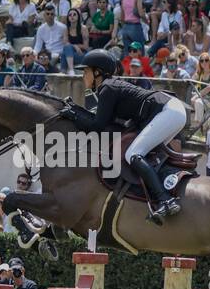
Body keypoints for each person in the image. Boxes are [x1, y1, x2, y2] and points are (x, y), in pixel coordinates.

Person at [61, 49, 187, 220]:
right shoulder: (109, 87)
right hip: (170, 110)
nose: (83, 76)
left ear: (97, 72)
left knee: (133, 154)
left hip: (167, 111)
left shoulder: (107, 88)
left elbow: (98, 126)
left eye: (85, 71)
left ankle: (165, 199)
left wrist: (75, 116)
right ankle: (164, 190)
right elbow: (105, 123)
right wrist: (77, 112)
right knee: (147, 155)